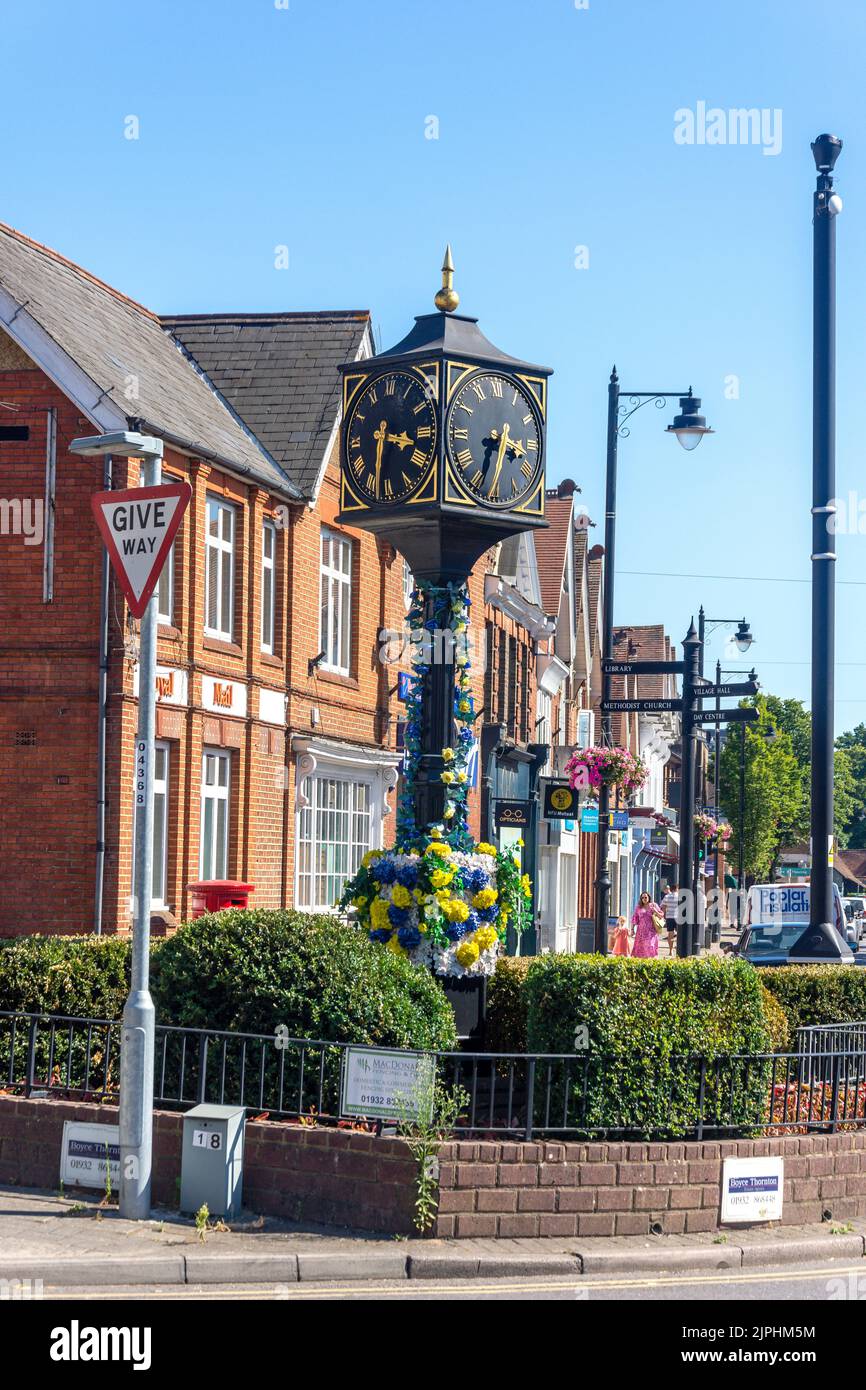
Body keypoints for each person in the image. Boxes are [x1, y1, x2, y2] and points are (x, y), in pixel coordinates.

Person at [631, 890, 662, 958]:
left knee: (650, 945)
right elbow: (634, 919)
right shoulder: (638, 907)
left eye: (645, 897)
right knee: (642, 948)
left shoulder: (654, 905)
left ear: (649, 897)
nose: (644, 899)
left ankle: (650, 962)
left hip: (651, 931)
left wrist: (655, 911)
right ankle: (643, 963)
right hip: (641, 931)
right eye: (642, 898)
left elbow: (661, 916)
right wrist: (632, 929)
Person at [660, 881, 680, 957]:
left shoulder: (667, 897)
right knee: (680, 934)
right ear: (677, 889)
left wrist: (662, 916)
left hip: (669, 917)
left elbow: (663, 907)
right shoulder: (679, 896)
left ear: (670, 889)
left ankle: (670, 951)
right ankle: (678, 948)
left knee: (670, 933)